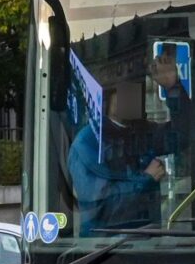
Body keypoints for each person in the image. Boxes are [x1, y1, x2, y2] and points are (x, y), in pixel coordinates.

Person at [67, 72, 170, 232]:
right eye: (123, 91)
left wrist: (173, 87)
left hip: (147, 241)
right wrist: (145, 179)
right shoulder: (88, 142)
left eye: (135, 92)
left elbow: (184, 136)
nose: (131, 97)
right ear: (107, 99)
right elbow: (101, 206)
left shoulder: (142, 132)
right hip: (103, 246)